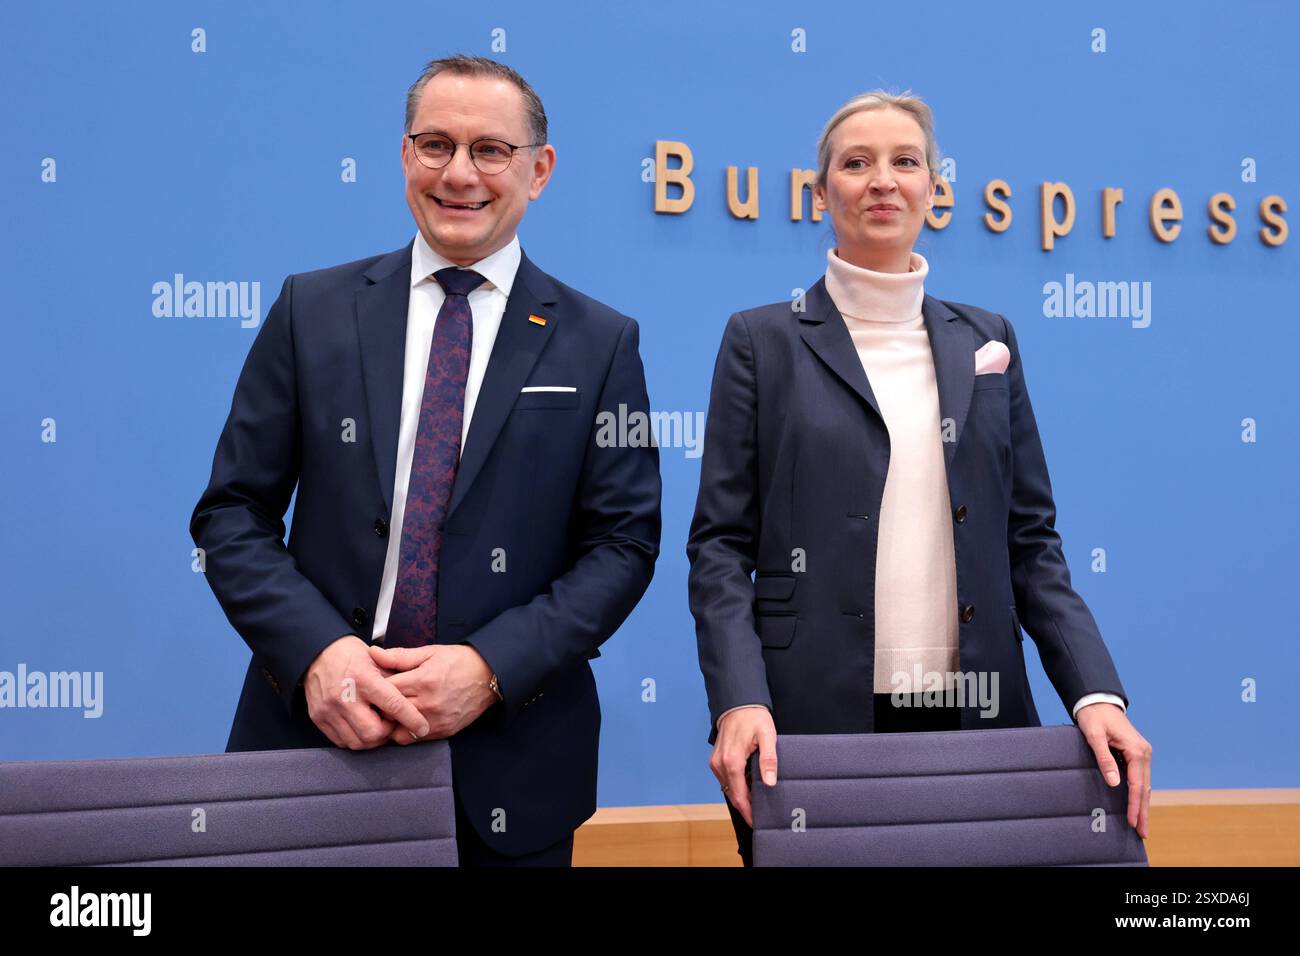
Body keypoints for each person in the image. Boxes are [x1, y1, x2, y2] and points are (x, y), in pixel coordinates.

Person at [191, 54, 661, 867]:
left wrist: (490, 668)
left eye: (491, 150)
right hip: (310, 744)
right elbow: (232, 514)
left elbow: (622, 547)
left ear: (539, 170)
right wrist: (318, 652)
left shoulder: (601, 343)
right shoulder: (312, 310)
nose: (459, 174)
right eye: (435, 145)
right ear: (405, 156)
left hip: (511, 770)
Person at [686, 90, 1151, 867]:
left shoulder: (989, 338)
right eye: (856, 163)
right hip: (810, 716)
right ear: (820, 192)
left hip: (974, 709)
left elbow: (1032, 542)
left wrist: (1095, 691)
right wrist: (739, 697)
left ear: (934, 187)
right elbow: (720, 550)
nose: (882, 180)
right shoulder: (760, 340)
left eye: (905, 161)